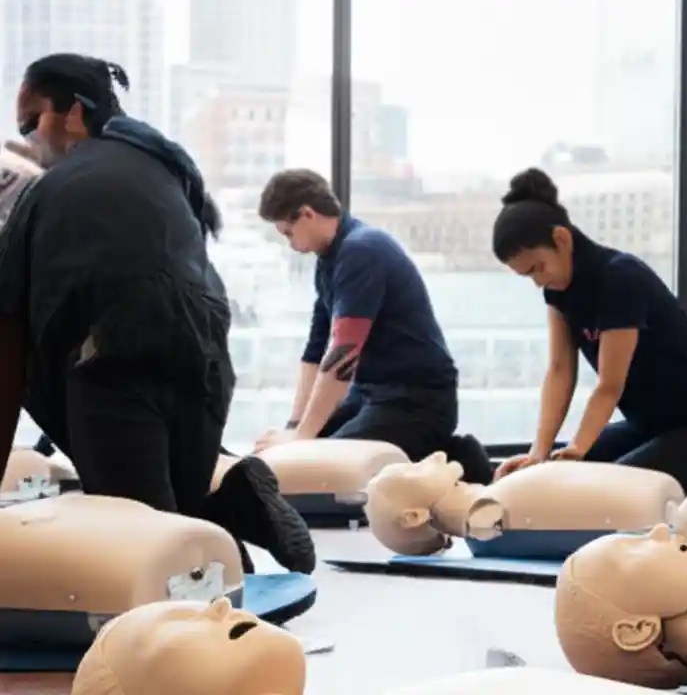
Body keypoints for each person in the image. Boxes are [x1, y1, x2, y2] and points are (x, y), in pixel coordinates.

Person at [0, 53, 314, 573]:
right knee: (170, 515)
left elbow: (9, 347)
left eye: (31, 121)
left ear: (74, 112)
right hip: (206, 361)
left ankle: (213, 550)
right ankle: (229, 506)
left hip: (116, 359)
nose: (29, 137)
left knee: (139, 542)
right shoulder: (165, 169)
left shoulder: (47, 195)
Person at [491, 168, 687, 493]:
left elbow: (609, 386)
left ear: (562, 238)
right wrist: (538, 454)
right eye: (527, 276)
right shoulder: (557, 291)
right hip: (651, 426)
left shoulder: (619, 279)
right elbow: (560, 371)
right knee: (555, 477)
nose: (538, 281)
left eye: (538, 268)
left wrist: (577, 449)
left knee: (604, 490)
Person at [252, 168, 492, 484]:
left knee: (316, 471)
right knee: (286, 461)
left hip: (416, 401)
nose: (291, 245)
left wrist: (303, 437)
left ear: (307, 214)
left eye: (288, 234)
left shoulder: (362, 250)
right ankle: (439, 453)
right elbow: (315, 350)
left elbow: (343, 354)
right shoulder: (328, 261)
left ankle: (458, 460)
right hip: (370, 395)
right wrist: (295, 427)